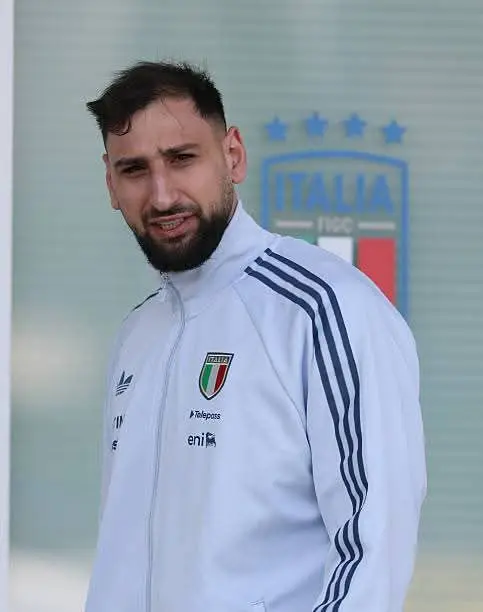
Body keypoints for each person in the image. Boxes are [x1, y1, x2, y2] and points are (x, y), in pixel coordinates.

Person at [84, 60, 426, 612]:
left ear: (233, 156)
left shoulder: (323, 309)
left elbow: (373, 546)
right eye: (135, 170)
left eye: (182, 158)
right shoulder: (136, 336)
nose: (162, 195)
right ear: (110, 184)